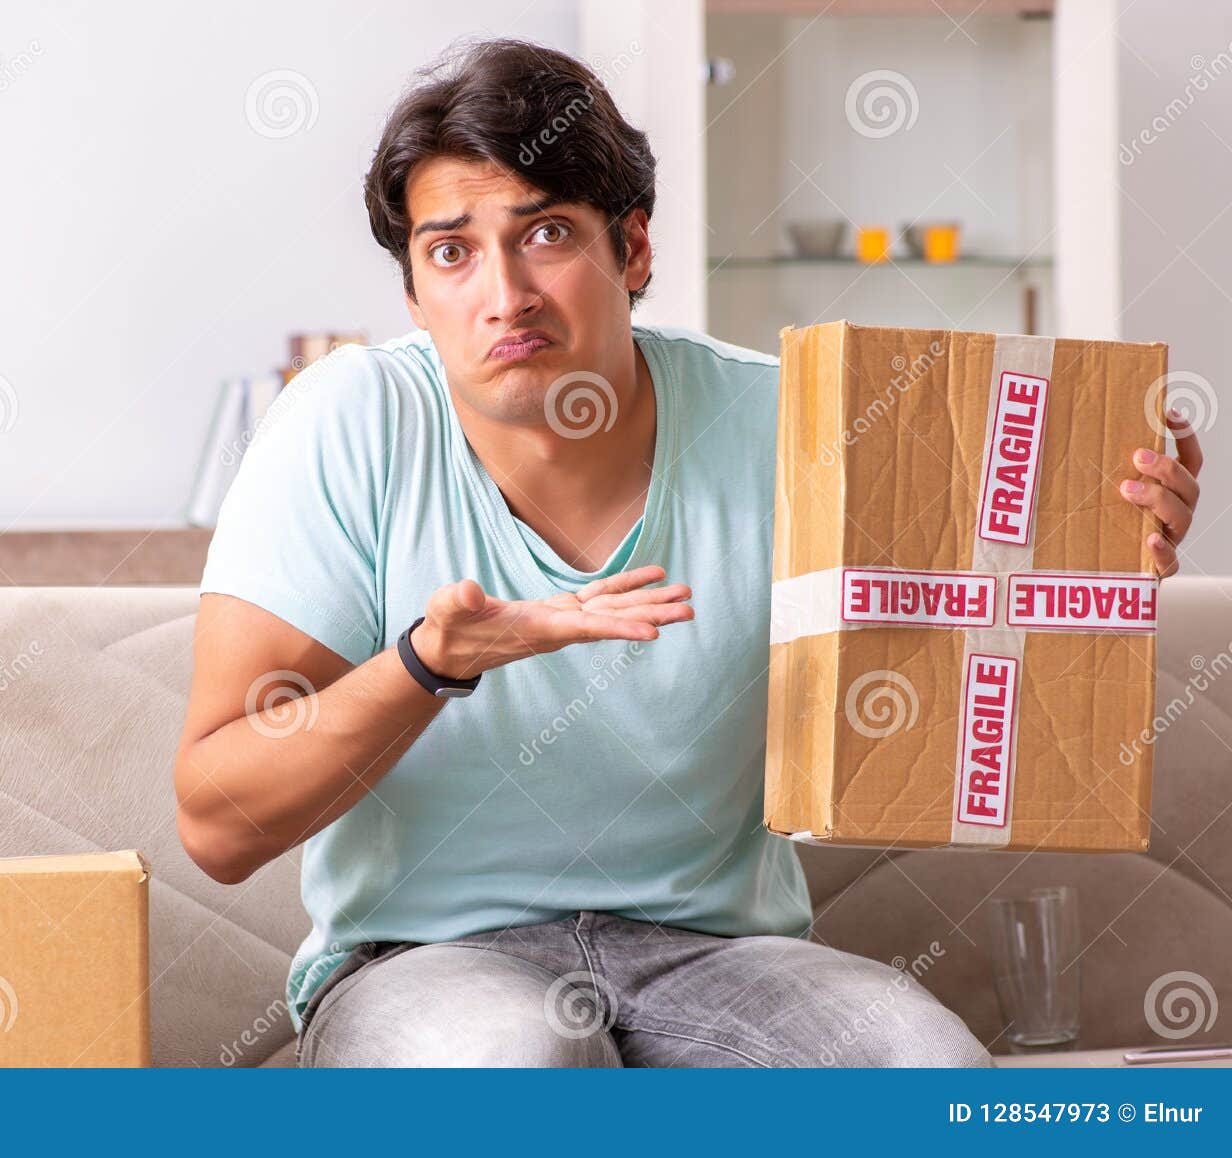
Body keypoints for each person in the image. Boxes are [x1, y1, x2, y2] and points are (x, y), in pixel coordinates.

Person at [175, 38, 1206, 1067]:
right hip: (421, 963)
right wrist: (423, 667)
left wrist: (1093, 560)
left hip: (712, 955)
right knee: (508, 1063)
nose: (505, 295)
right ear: (413, 293)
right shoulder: (347, 422)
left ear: (633, 250)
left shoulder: (790, 422)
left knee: (921, 1066)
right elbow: (218, 827)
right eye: (451, 252)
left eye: (545, 234)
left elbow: (955, 651)